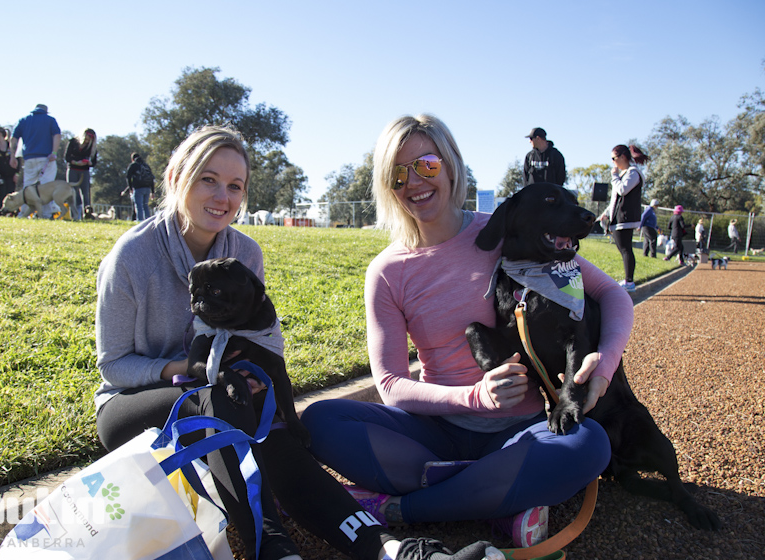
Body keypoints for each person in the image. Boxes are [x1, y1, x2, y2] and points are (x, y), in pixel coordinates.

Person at [95, 124, 494, 560]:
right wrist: (184, 372)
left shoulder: (244, 255)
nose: (222, 197)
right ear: (176, 178)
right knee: (214, 398)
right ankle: (272, 548)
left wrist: (252, 381)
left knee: (273, 432)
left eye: (235, 186)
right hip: (132, 405)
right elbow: (114, 365)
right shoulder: (132, 256)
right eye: (207, 180)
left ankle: (390, 550)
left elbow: (248, 339)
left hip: (222, 398)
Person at [300, 114, 634, 549]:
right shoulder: (385, 272)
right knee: (321, 420)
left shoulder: (503, 231)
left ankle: (401, 509)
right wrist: (473, 397)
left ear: (451, 164)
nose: (413, 182)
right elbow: (389, 385)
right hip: (436, 432)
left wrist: (603, 365)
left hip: (524, 428)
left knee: (589, 446)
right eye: (398, 173)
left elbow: (612, 293)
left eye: (427, 165)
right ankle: (494, 498)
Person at [601, 144, 650, 293]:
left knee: (625, 249)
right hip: (619, 217)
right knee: (624, 249)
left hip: (626, 218)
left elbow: (622, 190)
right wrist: (607, 213)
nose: (613, 162)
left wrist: (614, 176)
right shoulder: (625, 174)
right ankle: (628, 280)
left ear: (623, 157)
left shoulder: (633, 173)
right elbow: (615, 199)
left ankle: (629, 281)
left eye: (614, 158)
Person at [10, 104, 61, 218]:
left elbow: (13, 139)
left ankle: (24, 213)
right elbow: (57, 135)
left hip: (29, 158)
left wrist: (12, 156)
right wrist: (54, 152)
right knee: (46, 186)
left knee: (27, 187)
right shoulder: (50, 120)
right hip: (46, 157)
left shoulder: (24, 120)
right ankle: (46, 214)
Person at [64, 128, 98, 219]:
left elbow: (94, 162)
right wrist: (75, 162)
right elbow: (67, 157)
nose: (87, 141)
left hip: (84, 171)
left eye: (89, 140)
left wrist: (89, 163)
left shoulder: (92, 147)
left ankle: (87, 214)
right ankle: (75, 215)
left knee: (85, 193)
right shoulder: (73, 142)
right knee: (73, 193)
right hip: (73, 170)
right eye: (86, 138)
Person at [0, 127, 19, 215]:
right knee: (2, 194)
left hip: (10, 174)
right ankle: (0, 213)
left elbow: (18, 160)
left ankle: (12, 213)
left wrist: (17, 173)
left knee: (11, 194)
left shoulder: (11, 146)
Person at [124, 152, 154, 221]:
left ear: (132, 159)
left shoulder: (133, 165)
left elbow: (128, 177)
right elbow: (151, 178)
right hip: (147, 188)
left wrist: (130, 188)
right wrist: (152, 191)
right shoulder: (146, 166)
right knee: (145, 206)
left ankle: (140, 220)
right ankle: (148, 221)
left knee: (139, 206)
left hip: (138, 188)